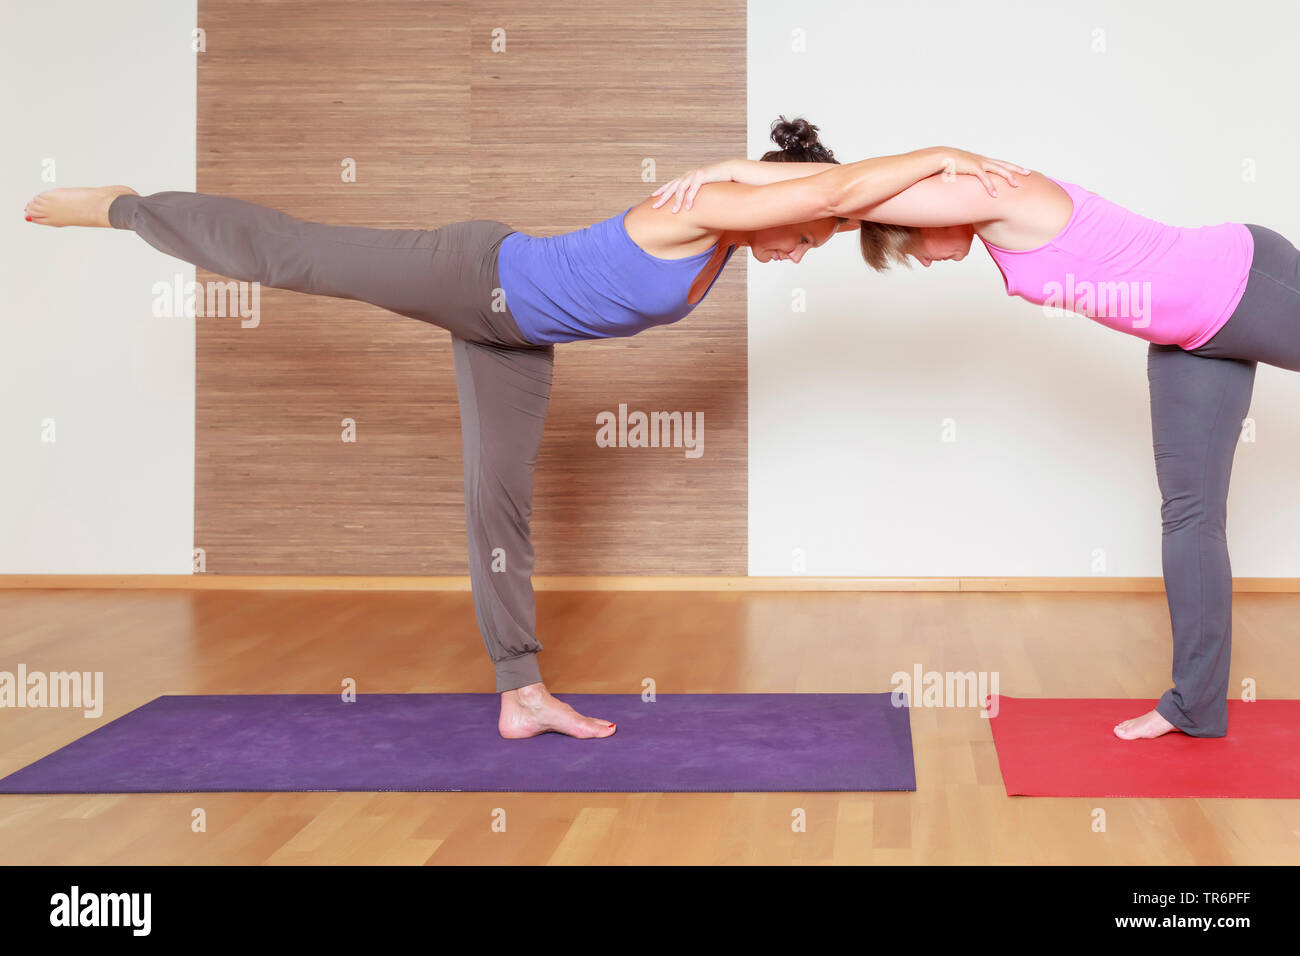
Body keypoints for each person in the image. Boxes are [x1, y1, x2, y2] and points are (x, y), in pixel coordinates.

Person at [24, 118, 1024, 739]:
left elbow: (828, 195)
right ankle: (118, 206)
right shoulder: (709, 210)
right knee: (292, 257)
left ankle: (519, 690)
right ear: (773, 204)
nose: (803, 251)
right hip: (475, 275)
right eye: (801, 237)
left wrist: (805, 186)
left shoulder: (731, 214)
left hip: (513, 339)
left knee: (495, 503)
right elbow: (834, 190)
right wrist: (939, 148)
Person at [657, 119, 1282, 740]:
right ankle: (1194, 705)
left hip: (1242, 279)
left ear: (929, 210)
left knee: (1190, 516)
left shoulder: (995, 191)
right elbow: (839, 208)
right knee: (1190, 517)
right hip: (1189, 339)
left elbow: (836, 191)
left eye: (909, 244)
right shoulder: (983, 221)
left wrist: (728, 173)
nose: (921, 260)